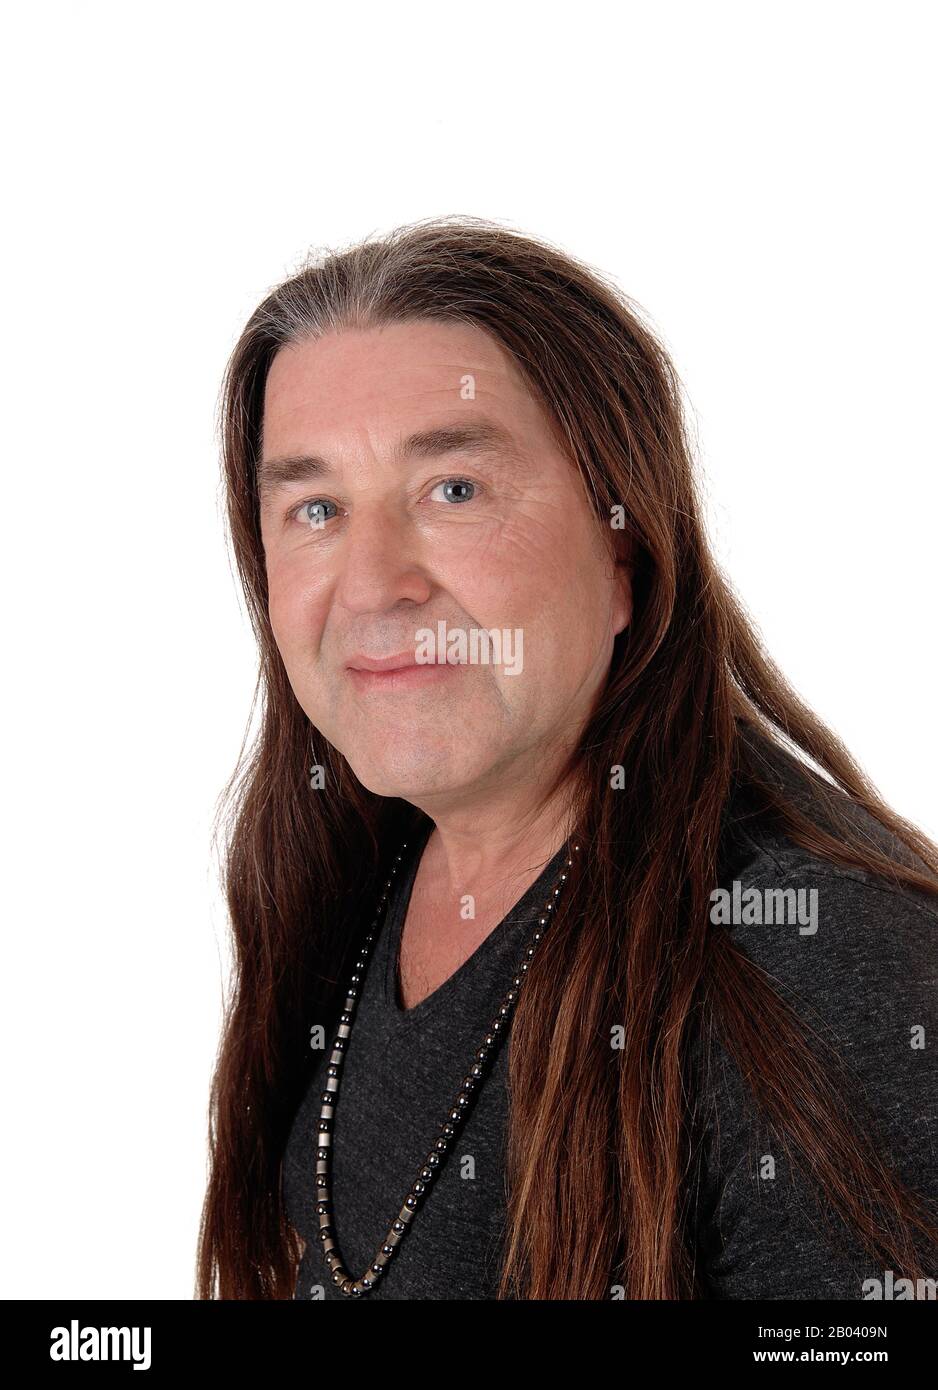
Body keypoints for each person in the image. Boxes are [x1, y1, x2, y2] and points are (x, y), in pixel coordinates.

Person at [196, 216, 938, 1300]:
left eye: (453, 491)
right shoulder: (352, 870)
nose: (369, 585)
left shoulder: (814, 971)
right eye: (315, 509)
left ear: (623, 547)